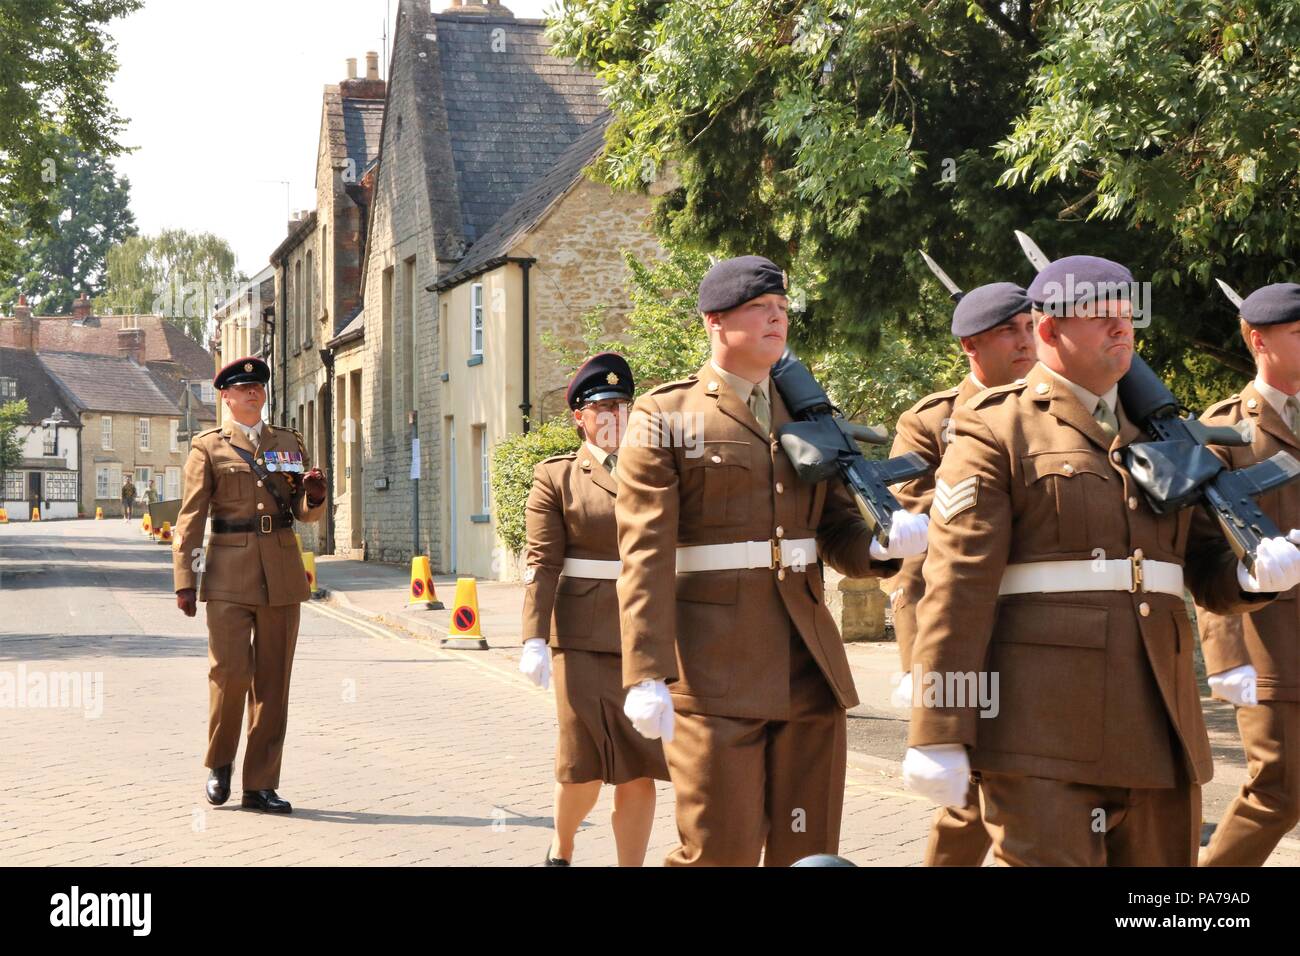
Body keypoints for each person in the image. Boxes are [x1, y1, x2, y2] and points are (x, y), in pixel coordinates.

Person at [902, 254, 1300, 865]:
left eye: (1125, 317)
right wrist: (939, 726)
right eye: (1099, 317)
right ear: (1047, 331)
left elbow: (1197, 563)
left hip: (1158, 723)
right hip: (1040, 729)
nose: (1121, 329)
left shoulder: (1166, 434)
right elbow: (957, 586)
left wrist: (1249, 576)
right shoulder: (995, 428)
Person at [615, 254, 928, 866]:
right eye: (759, 309)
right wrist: (645, 670)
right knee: (717, 848)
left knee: (809, 851)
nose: (776, 320)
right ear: (714, 321)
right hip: (710, 670)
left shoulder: (809, 415)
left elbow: (833, 526)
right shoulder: (666, 415)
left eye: (782, 309)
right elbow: (645, 549)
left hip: (806, 662)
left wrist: (877, 547)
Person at [888, 282, 1035, 866]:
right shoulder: (932, 420)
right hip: (952, 621)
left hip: (1028, 621)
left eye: (1030, 328)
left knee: (1001, 785)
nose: (1028, 342)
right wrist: (914, 660)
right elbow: (917, 536)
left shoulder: (1058, 413)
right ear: (972, 345)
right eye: (1011, 332)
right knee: (968, 787)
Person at [518, 352, 669, 867]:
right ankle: (561, 849)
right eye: (601, 408)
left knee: (639, 762)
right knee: (581, 761)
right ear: (580, 417)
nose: (613, 418)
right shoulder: (557, 477)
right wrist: (533, 638)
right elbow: (542, 563)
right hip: (579, 640)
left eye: (622, 407)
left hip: (645, 636)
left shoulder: (657, 472)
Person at [172, 356, 327, 814]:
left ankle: (259, 785)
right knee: (230, 673)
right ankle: (221, 763)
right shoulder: (208, 447)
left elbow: (302, 509)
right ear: (226, 397)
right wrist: (185, 579)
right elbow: (189, 519)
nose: (252, 394)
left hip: (280, 570)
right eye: (243, 389)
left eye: (258, 387)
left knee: (273, 681)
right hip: (227, 572)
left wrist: (315, 495)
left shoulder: (287, 441)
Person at [1197, 282, 1300, 865]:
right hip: (1270, 645)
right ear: (1260, 341)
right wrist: (1225, 657)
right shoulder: (1224, 432)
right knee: (1277, 793)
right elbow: (1203, 549)